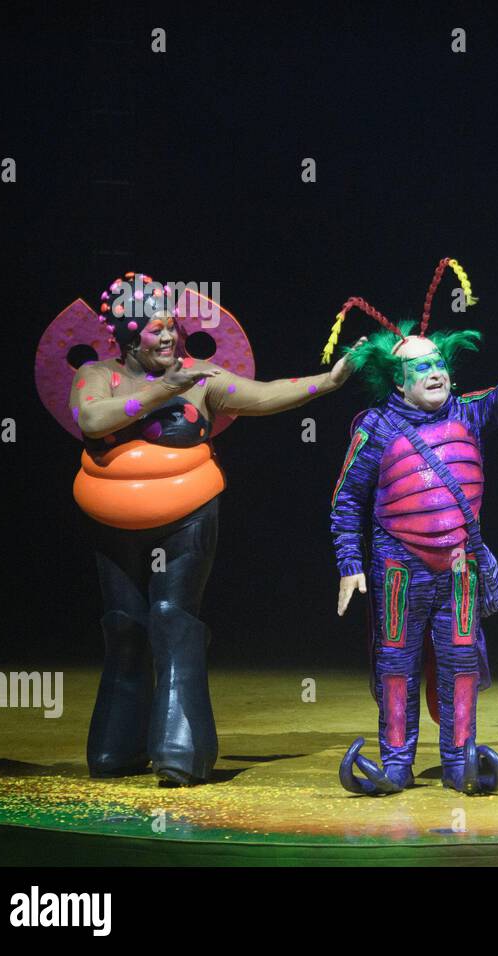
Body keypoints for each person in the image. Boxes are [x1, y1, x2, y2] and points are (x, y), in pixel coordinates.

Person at [62, 272, 361, 786]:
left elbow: (265, 395)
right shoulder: (96, 375)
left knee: (171, 617)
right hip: (112, 524)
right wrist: (160, 392)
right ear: (128, 338)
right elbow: (92, 422)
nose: (168, 338)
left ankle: (182, 753)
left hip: (187, 518)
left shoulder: (200, 377)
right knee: (124, 624)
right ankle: (116, 750)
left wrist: (328, 383)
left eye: (171, 328)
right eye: (155, 330)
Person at [329, 259, 498, 796]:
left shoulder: (468, 412)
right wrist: (350, 565)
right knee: (395, 664)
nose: (434, 372)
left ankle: (460, 763)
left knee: (460, 661)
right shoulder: (376, 428)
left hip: (459, 567)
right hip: (397, 569)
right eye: (419, 368)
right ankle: (394, 764)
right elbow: (347, 500)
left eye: (438, 363)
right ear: (397, 380)